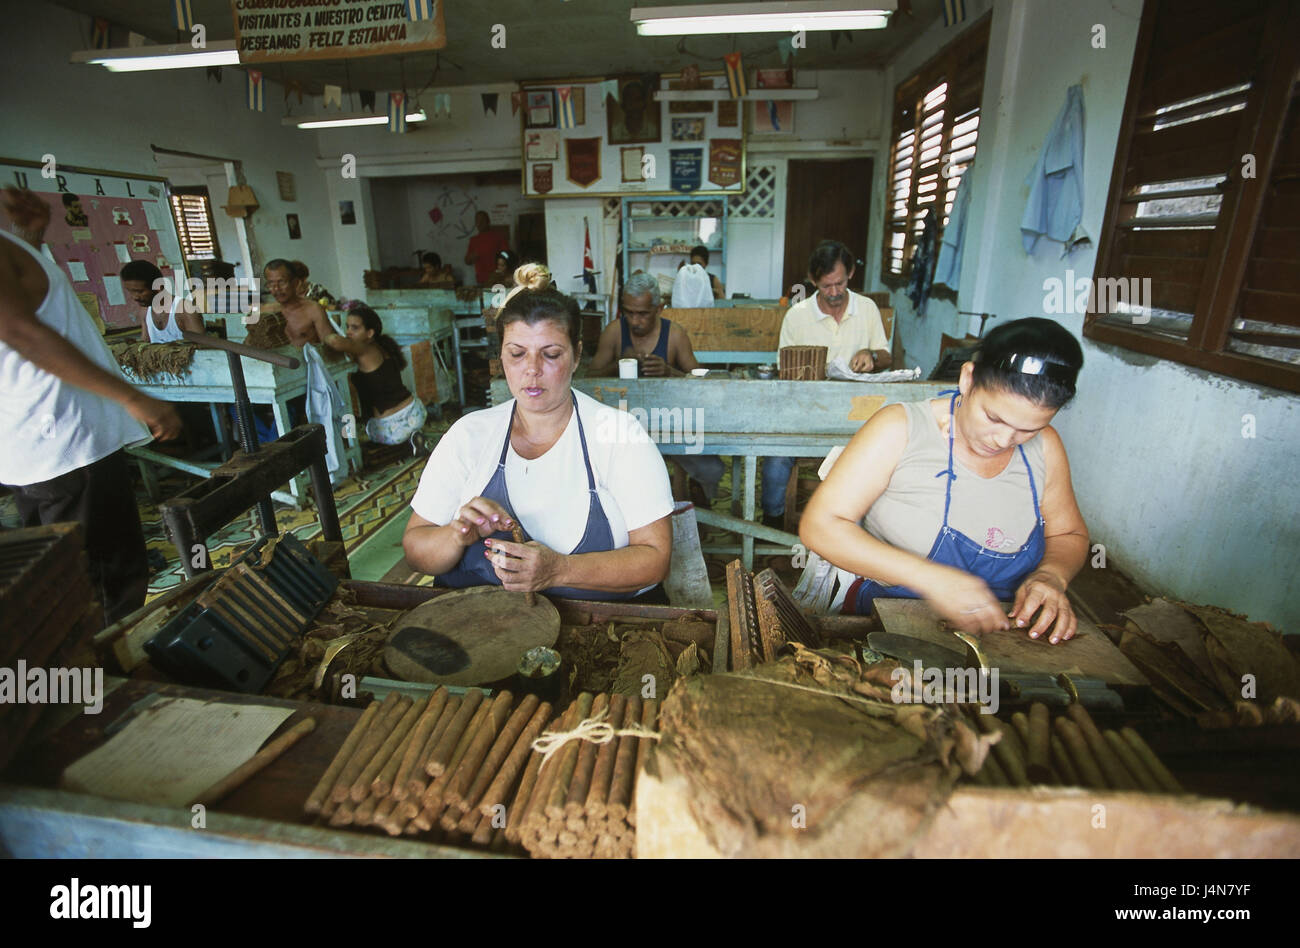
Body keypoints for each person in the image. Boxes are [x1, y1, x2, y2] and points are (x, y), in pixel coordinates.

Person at [799, 318, 1089, 644]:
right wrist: (933, 580)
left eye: (1028, 429)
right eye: (993, 417)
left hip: (1009, 636)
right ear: (968, 379)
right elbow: (820, 526)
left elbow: (1068, 533)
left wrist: (1051, 577)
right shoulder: (900, 429)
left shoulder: (1046, 447)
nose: (1004, 439)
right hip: (889, 621)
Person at [403, 263, 674, 602]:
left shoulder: (619, 436)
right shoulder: (469, 435)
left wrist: (558, 570)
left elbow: (655, 558)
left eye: (551, 354)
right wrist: (456, 535)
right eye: (517, 354)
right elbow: (416, 549)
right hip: (483, 626)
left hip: (595, 625)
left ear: (576, 357)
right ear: (501, 355)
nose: (531, 370)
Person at [0, 186, 181, 625]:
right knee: (106, 581)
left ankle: (85, 672)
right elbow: (23, 334)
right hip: (66, 439)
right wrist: (133, 397)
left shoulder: (10, 249)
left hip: (37, 445)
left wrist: (30, 236)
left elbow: (35, 312)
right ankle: (106, 683)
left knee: (62, 576)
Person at [761, 240, 892, 528]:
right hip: (805, 414)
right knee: (775, 457)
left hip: (854, 418)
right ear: (812, 281)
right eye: (826, 286)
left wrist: (870, 355)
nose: (834, 293)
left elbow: (885, 355)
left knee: (879, 456)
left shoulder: (867, 309)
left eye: (840, 284)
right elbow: (784, 370)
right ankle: (771, 524)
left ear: (851, 275)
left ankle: (854, 529)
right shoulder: (797, 316)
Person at [588, 271, 724, 507]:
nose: (634, 321)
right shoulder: (613, 333)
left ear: (659, 308)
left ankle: (695, 497)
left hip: (671, 425)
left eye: (642, 314)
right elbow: (588, 381)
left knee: (712, 469)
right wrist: (616, 364)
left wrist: (670, 372)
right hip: (624, 430)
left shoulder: (674, 335)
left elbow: (701, 385)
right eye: (628, 313)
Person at [322, 304, 428, 453]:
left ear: (370, 333)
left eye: (355, 328)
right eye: (347, 327)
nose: (348, 332)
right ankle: (411, 438)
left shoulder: (364, 349)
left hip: (390, 426)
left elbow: (334, 341)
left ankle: (402, 444)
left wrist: (323, 334)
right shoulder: (381, 346)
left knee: (358, 427)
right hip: (415, 411)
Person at [121, 259, 204, 343]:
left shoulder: (186, 309)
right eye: (130, 291)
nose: (134, 297)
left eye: (140, 291)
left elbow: (200, 346)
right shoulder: (145, 312)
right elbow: (146, 342)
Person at [264, 258, 332, 348]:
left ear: (295, 283)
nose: (276, 289)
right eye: (271, 284)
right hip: (277, 361)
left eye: (282, 282)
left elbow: (330, 349)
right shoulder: (266, 312)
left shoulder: (313, 310)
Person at [464, 211, 508, 285]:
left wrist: (501, 257)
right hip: (481, 281)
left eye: (482, 220)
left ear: (488, 221)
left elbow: (507, 256)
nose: (480, 223)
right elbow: (467, 261)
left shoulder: (498, 237)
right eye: (477, 221)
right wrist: (471, 257)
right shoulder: (474, 240)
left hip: (497, 280)